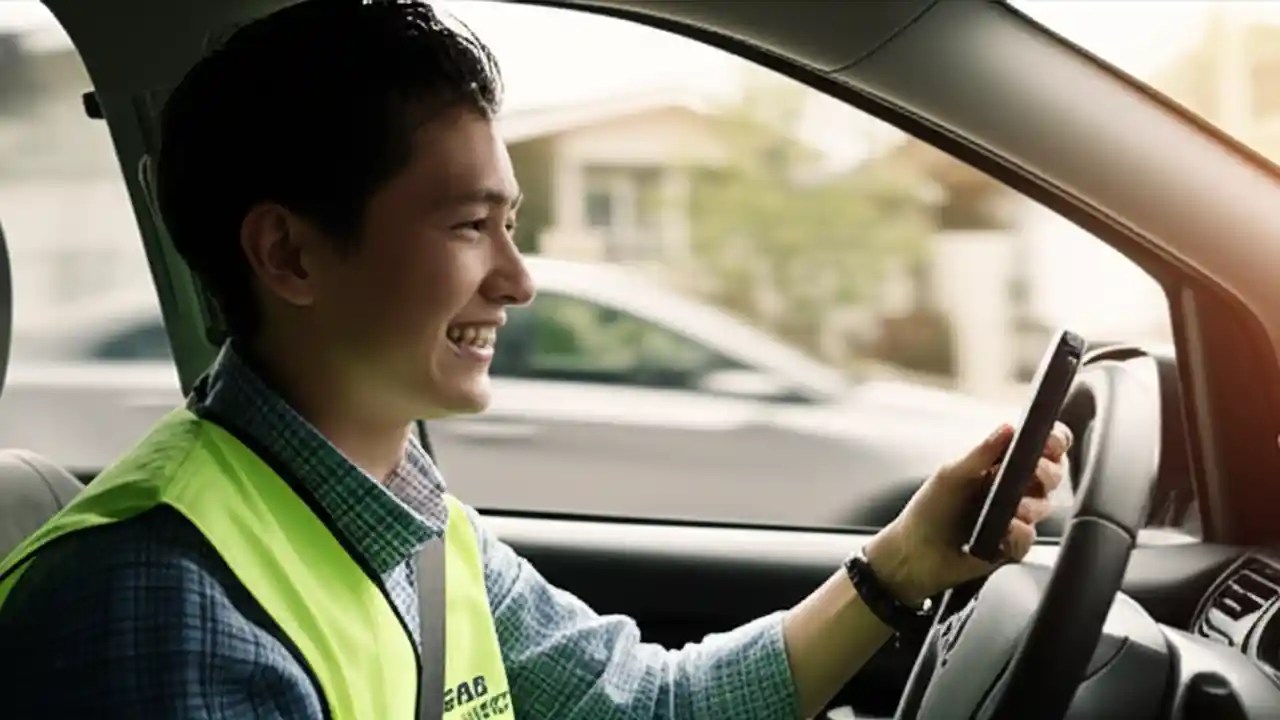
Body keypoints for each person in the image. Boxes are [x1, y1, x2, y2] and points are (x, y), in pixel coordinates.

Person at [0, 2, 1070, 718]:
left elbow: (650, 705)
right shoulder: (159, 604)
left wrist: (897, 570)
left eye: (510, 225)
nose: (519, 280)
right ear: (288, 253)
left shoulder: (406, 518)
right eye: (469, 226)